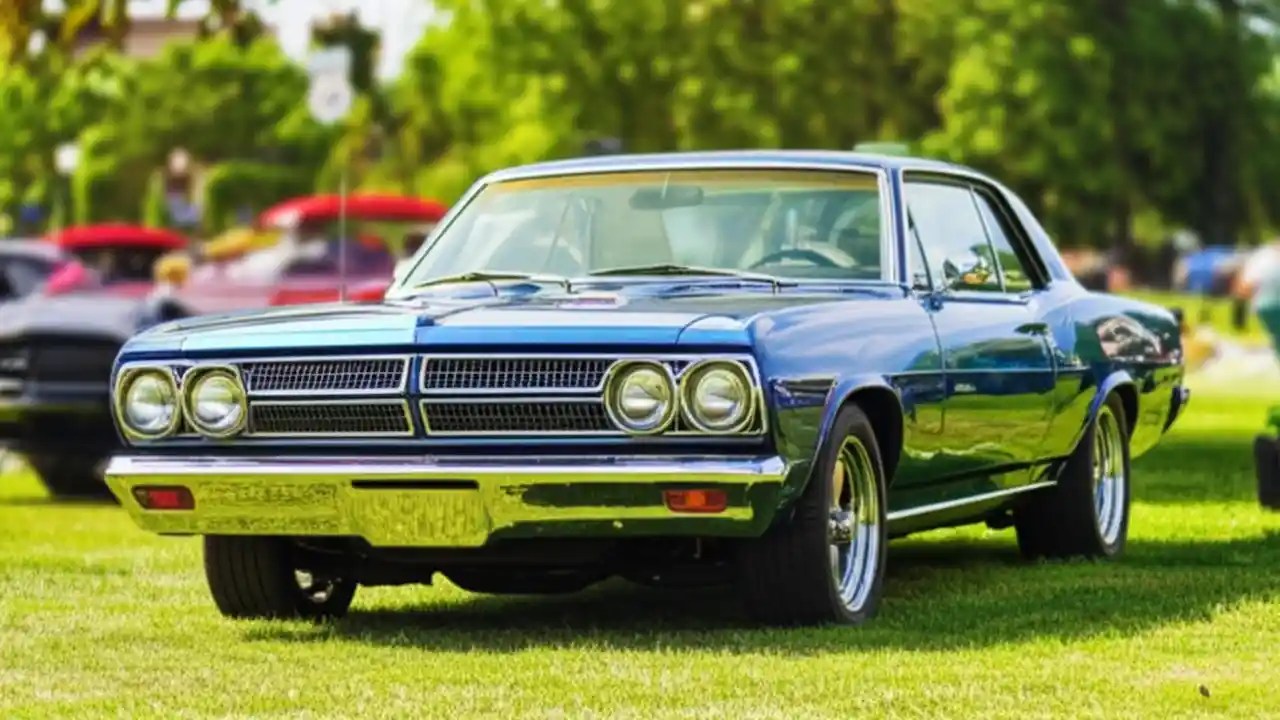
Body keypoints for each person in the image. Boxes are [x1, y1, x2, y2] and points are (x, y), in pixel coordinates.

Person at [1235, 238, 1280, 350]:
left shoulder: (1260, 257)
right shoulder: (1262, 257)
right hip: (1270, 304)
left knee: (1277, 336)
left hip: (1264, 305)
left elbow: (1245, 286)